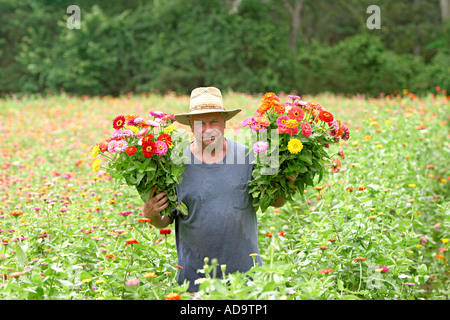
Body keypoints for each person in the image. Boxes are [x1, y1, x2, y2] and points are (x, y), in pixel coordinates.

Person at [142, 87, 296, 292]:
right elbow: (164, 222)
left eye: (213, 121)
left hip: (245, 282)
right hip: (194, 284)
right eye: (200, 123)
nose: (208, 129)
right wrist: (149, 215)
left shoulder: (250, 157)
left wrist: (288, 183)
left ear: (224, 122)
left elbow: (275, 201)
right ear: (190, 125)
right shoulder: (173, 165)